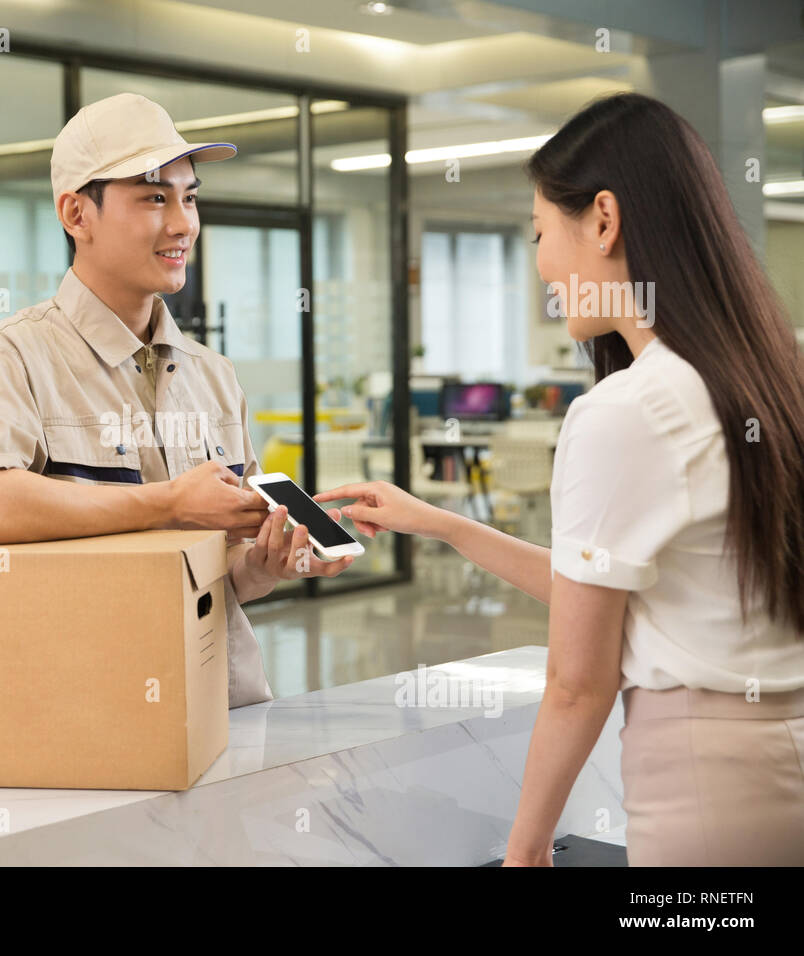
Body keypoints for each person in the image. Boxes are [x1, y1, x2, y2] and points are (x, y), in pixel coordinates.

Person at [316, 92, 804, 866]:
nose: (542, 262)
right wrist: (441, 522)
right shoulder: (764, 379)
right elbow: (612, 595)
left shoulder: (628, 408)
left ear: (603, 220)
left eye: (541, 231)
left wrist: (527, 846)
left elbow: (580, 679)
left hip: (708, 788)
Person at [0, 92, 354, 708]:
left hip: (221, 704)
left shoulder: (214, 374)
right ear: (76, 214)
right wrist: (168, 502)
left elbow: (228, 573)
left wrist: (265, 564)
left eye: (190, 197)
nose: (183, 224)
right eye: (154, 197)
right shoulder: (13, 358)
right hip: (96, 713)